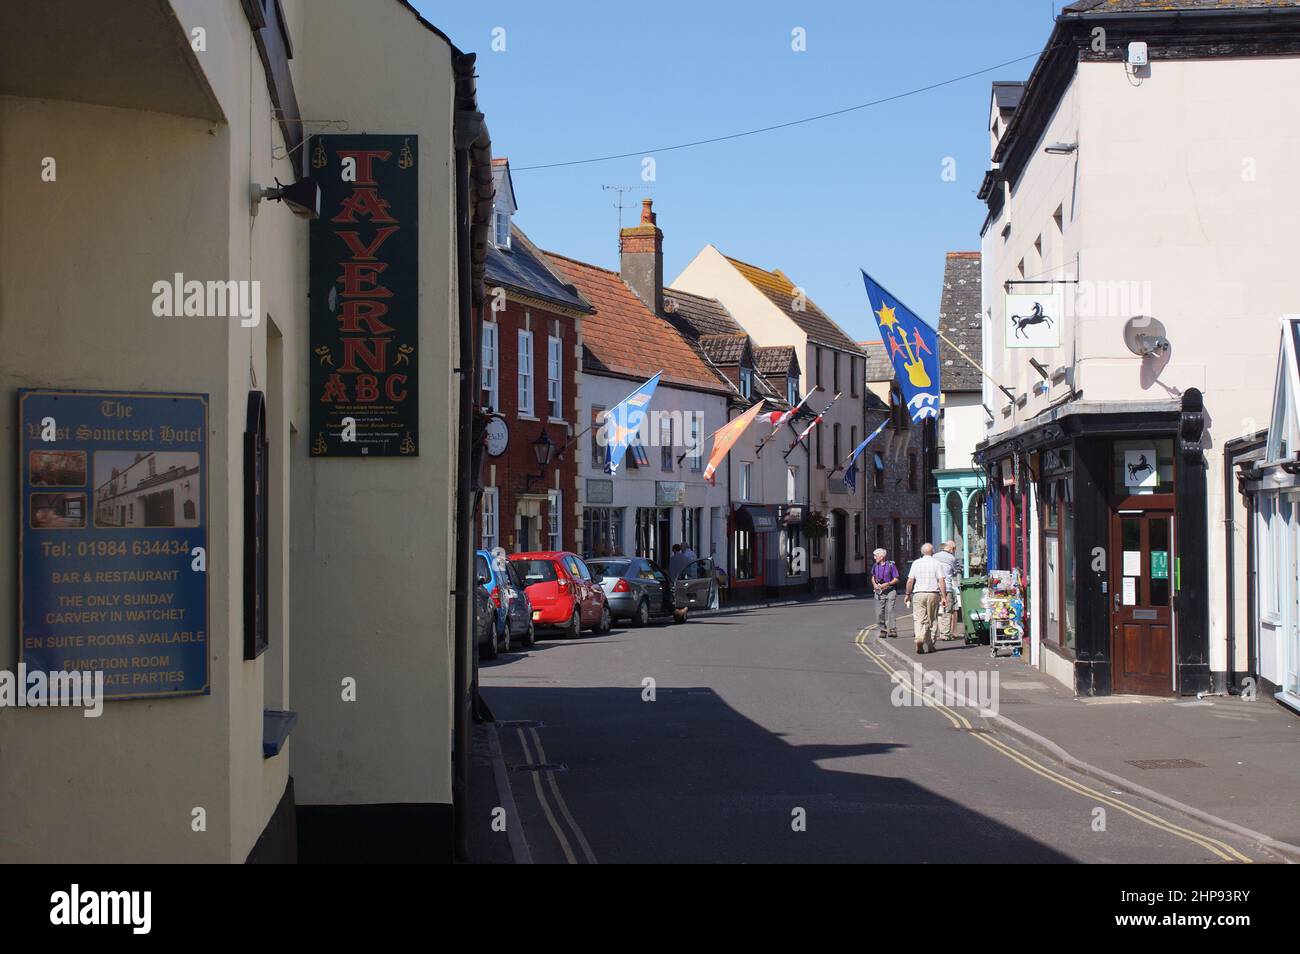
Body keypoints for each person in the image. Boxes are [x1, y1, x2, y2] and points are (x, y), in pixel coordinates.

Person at [904, 542, 949, 654]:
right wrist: (944, 597)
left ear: (922, 552)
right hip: (933, 593)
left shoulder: (916, 563)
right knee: (932, 619)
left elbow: (910, 580)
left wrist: (907, 594)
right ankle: (930, 644)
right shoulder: (937, 563)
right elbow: (941, 581)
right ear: (932, 551)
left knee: (919, 618)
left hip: (919, 593)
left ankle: (919, 638)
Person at [870, 548, 900, 638]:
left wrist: (888, 583)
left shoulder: (891, 565)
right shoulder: (875, 566)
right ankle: (883, 630)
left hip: (890, 590)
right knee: (879, 612)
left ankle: (892, 630)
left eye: (876, 555)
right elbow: (873, 576)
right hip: (879, 591)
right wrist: (874, 584)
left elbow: (896, 579)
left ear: (882, 556)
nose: (874, 557)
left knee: (890, 610)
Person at [934, 540, 961, 640]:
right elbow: (955, 572)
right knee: (947, 610)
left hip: (934, 587)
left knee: (933, 610)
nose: (954, 551)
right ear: (951, 548)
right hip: (947, 587)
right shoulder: (952, 558)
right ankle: (945, 634)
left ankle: (932, 633)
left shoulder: (934, 557)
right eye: (954, 549)